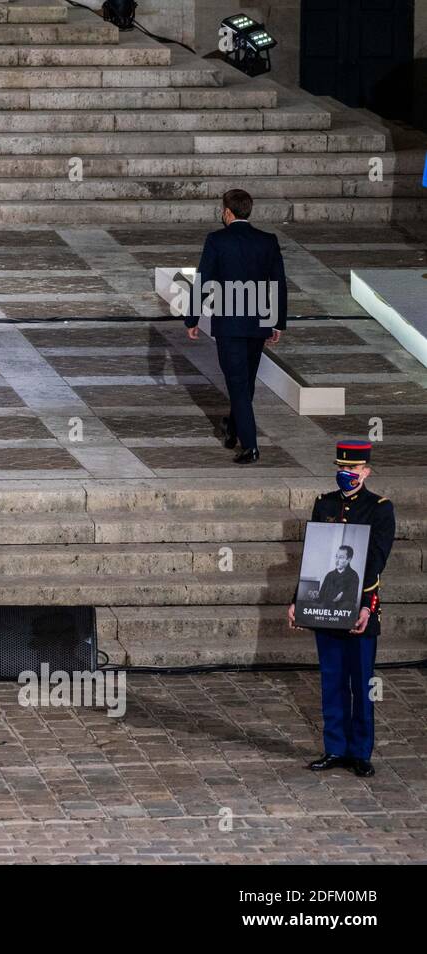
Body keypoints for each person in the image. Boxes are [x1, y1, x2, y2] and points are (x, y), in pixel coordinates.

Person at [288, 441, 395, 778]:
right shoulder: (325, 503)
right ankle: (335, 747)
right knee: (332, 680)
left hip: (361, 608)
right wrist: (298, 600)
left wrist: (365, 607)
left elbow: (375, 562)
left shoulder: (379, 508)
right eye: (341, 468)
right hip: (326, 611)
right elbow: (313, 557)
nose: (345, 474)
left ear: (366, 471)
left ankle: (361, 751)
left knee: (361, 682)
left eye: (352, 469)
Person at [185, 189, 287, 465]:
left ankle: (250, 445)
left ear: (227, 212)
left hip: (229, 324)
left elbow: (204, 280)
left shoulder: (217, 240)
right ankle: (232, 425)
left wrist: (192, 318)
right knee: (244, 383)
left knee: (239, 385)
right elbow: (278, 283)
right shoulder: (267, 241)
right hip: (258, 322)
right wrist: (277, 322)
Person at [315, 546, 359, 620]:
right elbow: (321, 596)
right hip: (325, 612)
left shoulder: (353, 575)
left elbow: (353, 599)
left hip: (341, 614)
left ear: (349, 559)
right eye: (336, 557)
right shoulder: (329, 575)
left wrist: (342, 596)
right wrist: (316, 596)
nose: (337, 560)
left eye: (341, 557)